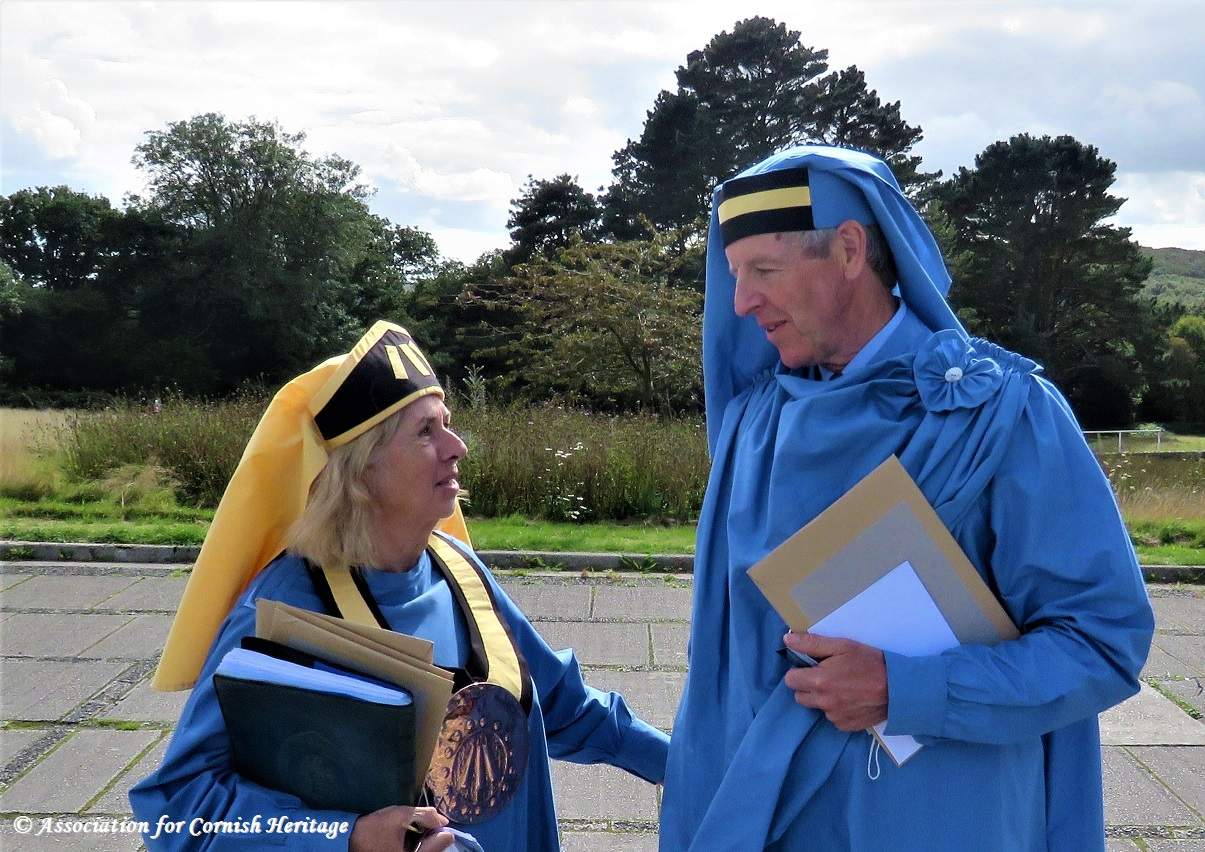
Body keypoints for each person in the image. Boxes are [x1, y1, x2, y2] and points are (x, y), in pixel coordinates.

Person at [657, 146, 1154, 851]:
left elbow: (1103, 643)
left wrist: (907, 689)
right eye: (734, 276)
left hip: (943, 822)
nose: (739, 303)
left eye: (762, 271)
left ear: (851, 249)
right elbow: (719, 674)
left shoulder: (1005, 416)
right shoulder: (750, 424)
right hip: (759, 821)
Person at [130, 321, 669, 851]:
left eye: (448, 423)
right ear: (360, 471)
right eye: (425, 432)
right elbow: (180, 806)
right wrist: (347, 839)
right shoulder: (282, 611)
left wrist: (681, 762)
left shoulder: (457, 567)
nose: (457, 446)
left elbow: (562, 705)